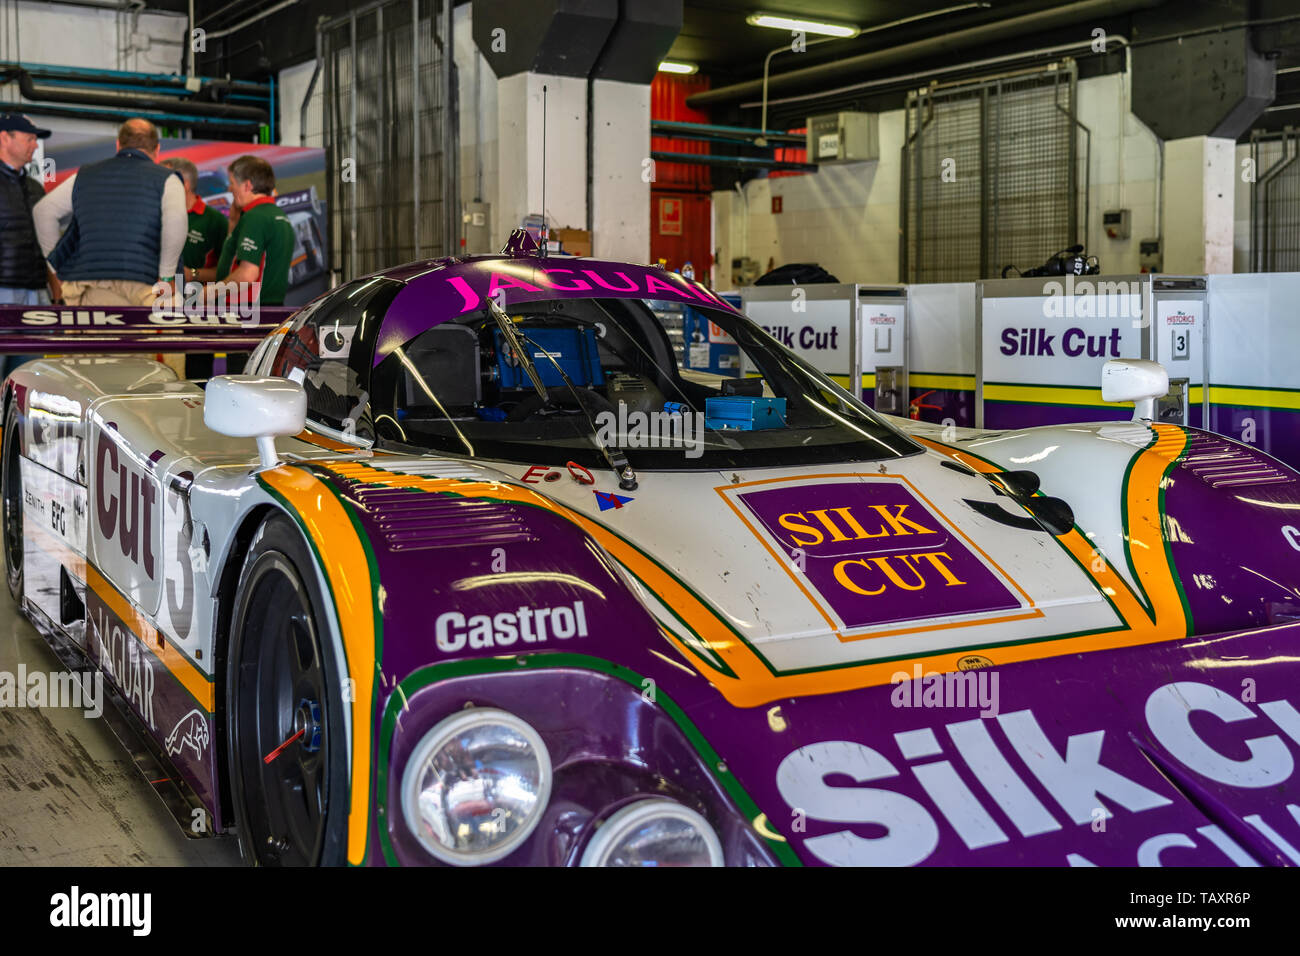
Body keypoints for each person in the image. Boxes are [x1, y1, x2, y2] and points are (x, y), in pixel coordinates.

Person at [33, 118, 186, 307]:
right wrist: (166, 275)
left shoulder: (84, 176)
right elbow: (176, 223)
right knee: (143, 335)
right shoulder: (167, 179)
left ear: (118, 145)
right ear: (157, 149)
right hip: (144, 285)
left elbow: (43, 211)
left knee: (100, 336)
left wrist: (57, 267)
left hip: (91, 284)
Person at [209, 155, 293, 373]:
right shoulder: (279, 215)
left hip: (246, 316)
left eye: (233, 183)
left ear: (247, 185)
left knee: (240, 382)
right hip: (268, 313)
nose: (230, 188)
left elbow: (247, 274)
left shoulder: (255, 217)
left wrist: (210, 293)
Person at [162, 156, 231, 379]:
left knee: (197, 371)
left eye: (166, 179)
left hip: (200, 302)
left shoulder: (214, 221)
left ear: (184, 184)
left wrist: (191, 273)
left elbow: (225, 273)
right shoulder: (160, 215)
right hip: (161, 300)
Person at [0, 113, 58, 379]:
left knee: (30, 380)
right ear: (4, 138)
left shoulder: (35, 187)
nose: (35, 146)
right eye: (29, 139)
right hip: (3, 294)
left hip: (37, 295)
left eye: (36, 140)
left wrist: (53, 284)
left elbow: (41, 242)